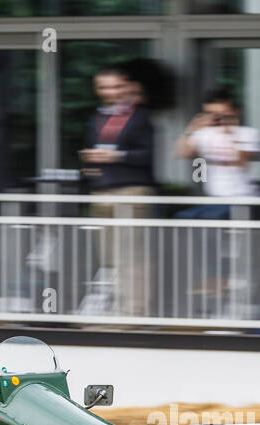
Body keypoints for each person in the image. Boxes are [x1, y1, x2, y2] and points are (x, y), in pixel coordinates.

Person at [81, 65, 156, 316]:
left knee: (130, 257)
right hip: (103, 190)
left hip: (131, 191)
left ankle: (133, 313)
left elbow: (148, 155)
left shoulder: (140, 116)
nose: (110, 92)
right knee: (109, 257)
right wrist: (91, 164)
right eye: (104, 87)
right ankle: (114, 309)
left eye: (115, 86)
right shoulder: (98, 116)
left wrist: (116, 155)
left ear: (125, 85)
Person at [173, 86, 260, 219]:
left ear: (235, 111)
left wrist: (229, 132)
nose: (217, 118)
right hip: (215, 199)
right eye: (212, 114)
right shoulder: (205, 134)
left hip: (243, 199)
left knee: (211, 221)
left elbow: (243, 162)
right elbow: (181, 153)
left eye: (222, 114)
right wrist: (191, 129)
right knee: (183, 218)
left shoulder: (248, 134)